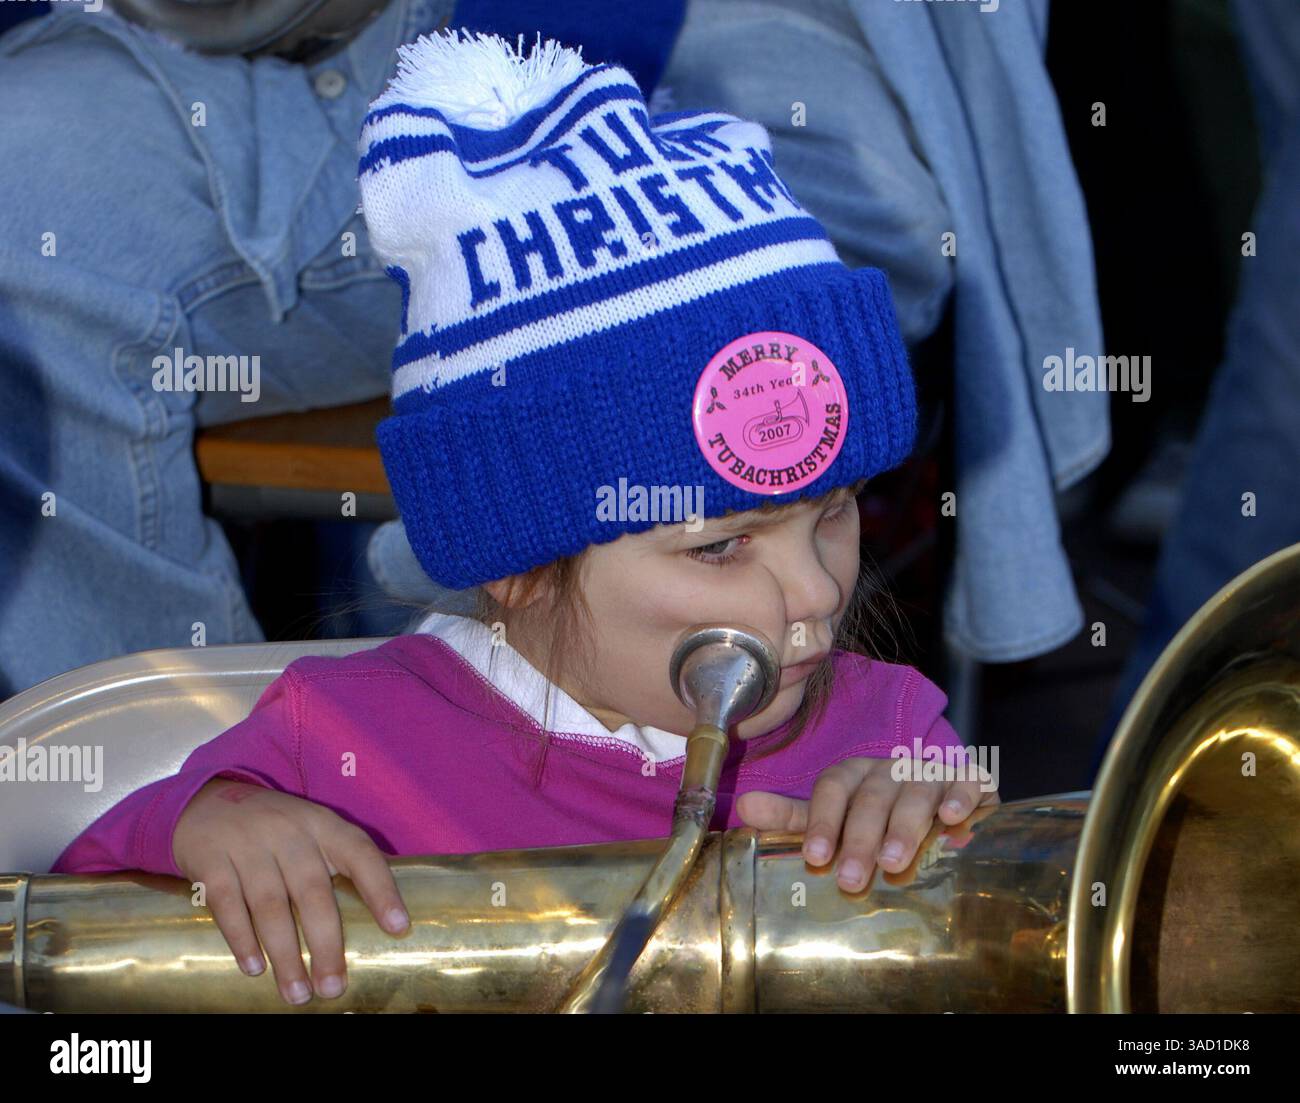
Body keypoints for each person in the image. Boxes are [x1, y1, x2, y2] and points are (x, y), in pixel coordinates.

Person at [50, 30, 1000, 1007]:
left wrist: (940, 838)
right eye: (719, 545)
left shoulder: (885, 726)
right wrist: (207, 826)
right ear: (514, 559)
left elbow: (993, 930)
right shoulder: (333, 744)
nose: (817, 590)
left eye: (830, 511)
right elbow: (73, 935)